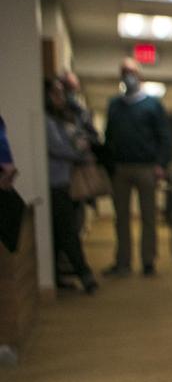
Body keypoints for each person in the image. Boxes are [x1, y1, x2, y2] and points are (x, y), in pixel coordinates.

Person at [103, 58, 170, 276]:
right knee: (120, 217)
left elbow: (164, 136)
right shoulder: (114, 105)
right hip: (120, 168)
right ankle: (122, 261)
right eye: (124, 72)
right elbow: (108, 136)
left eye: (131, 71)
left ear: (139, 75)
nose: (128, 75)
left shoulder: (153, 104)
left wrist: (161, 164)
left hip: (146, 168)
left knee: (148, 216)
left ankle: (148, 261)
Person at [44, 80, 98, 294]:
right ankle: (85, 276)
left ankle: (59, 276)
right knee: (67, 231)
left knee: (61, 232)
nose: (62, 97)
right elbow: (59, 147)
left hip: (65, 181)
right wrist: (79, 153)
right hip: (55, 182)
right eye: (56, 93)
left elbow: (79, 136)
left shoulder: (63, 118)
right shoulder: (46, 121)